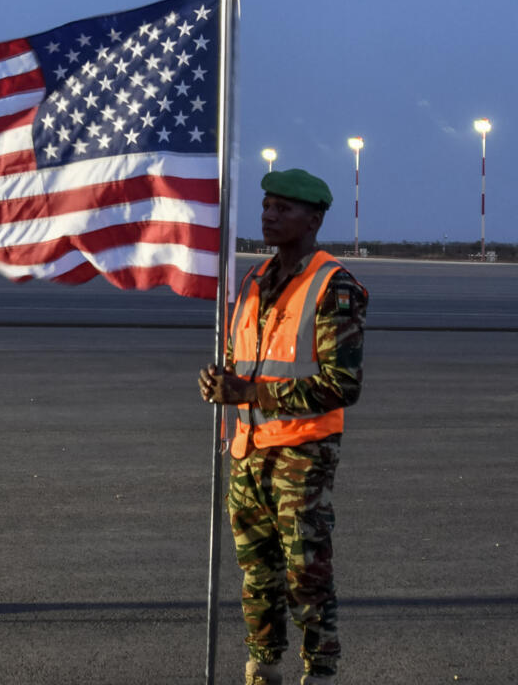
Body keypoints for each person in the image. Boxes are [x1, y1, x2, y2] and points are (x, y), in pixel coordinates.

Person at [198, 169, 367, 685]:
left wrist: (250, 393)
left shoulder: (333, 285)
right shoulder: (252, 279)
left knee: (307, 575)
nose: (269, 215)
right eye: (267, 206)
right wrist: (220, 381)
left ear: (313, 219)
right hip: (247, 451)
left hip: (302, 456)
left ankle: (319, 673)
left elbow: (342, 385)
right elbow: (242, 361)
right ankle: (262, 666)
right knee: (258, 574)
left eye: (283, 208)